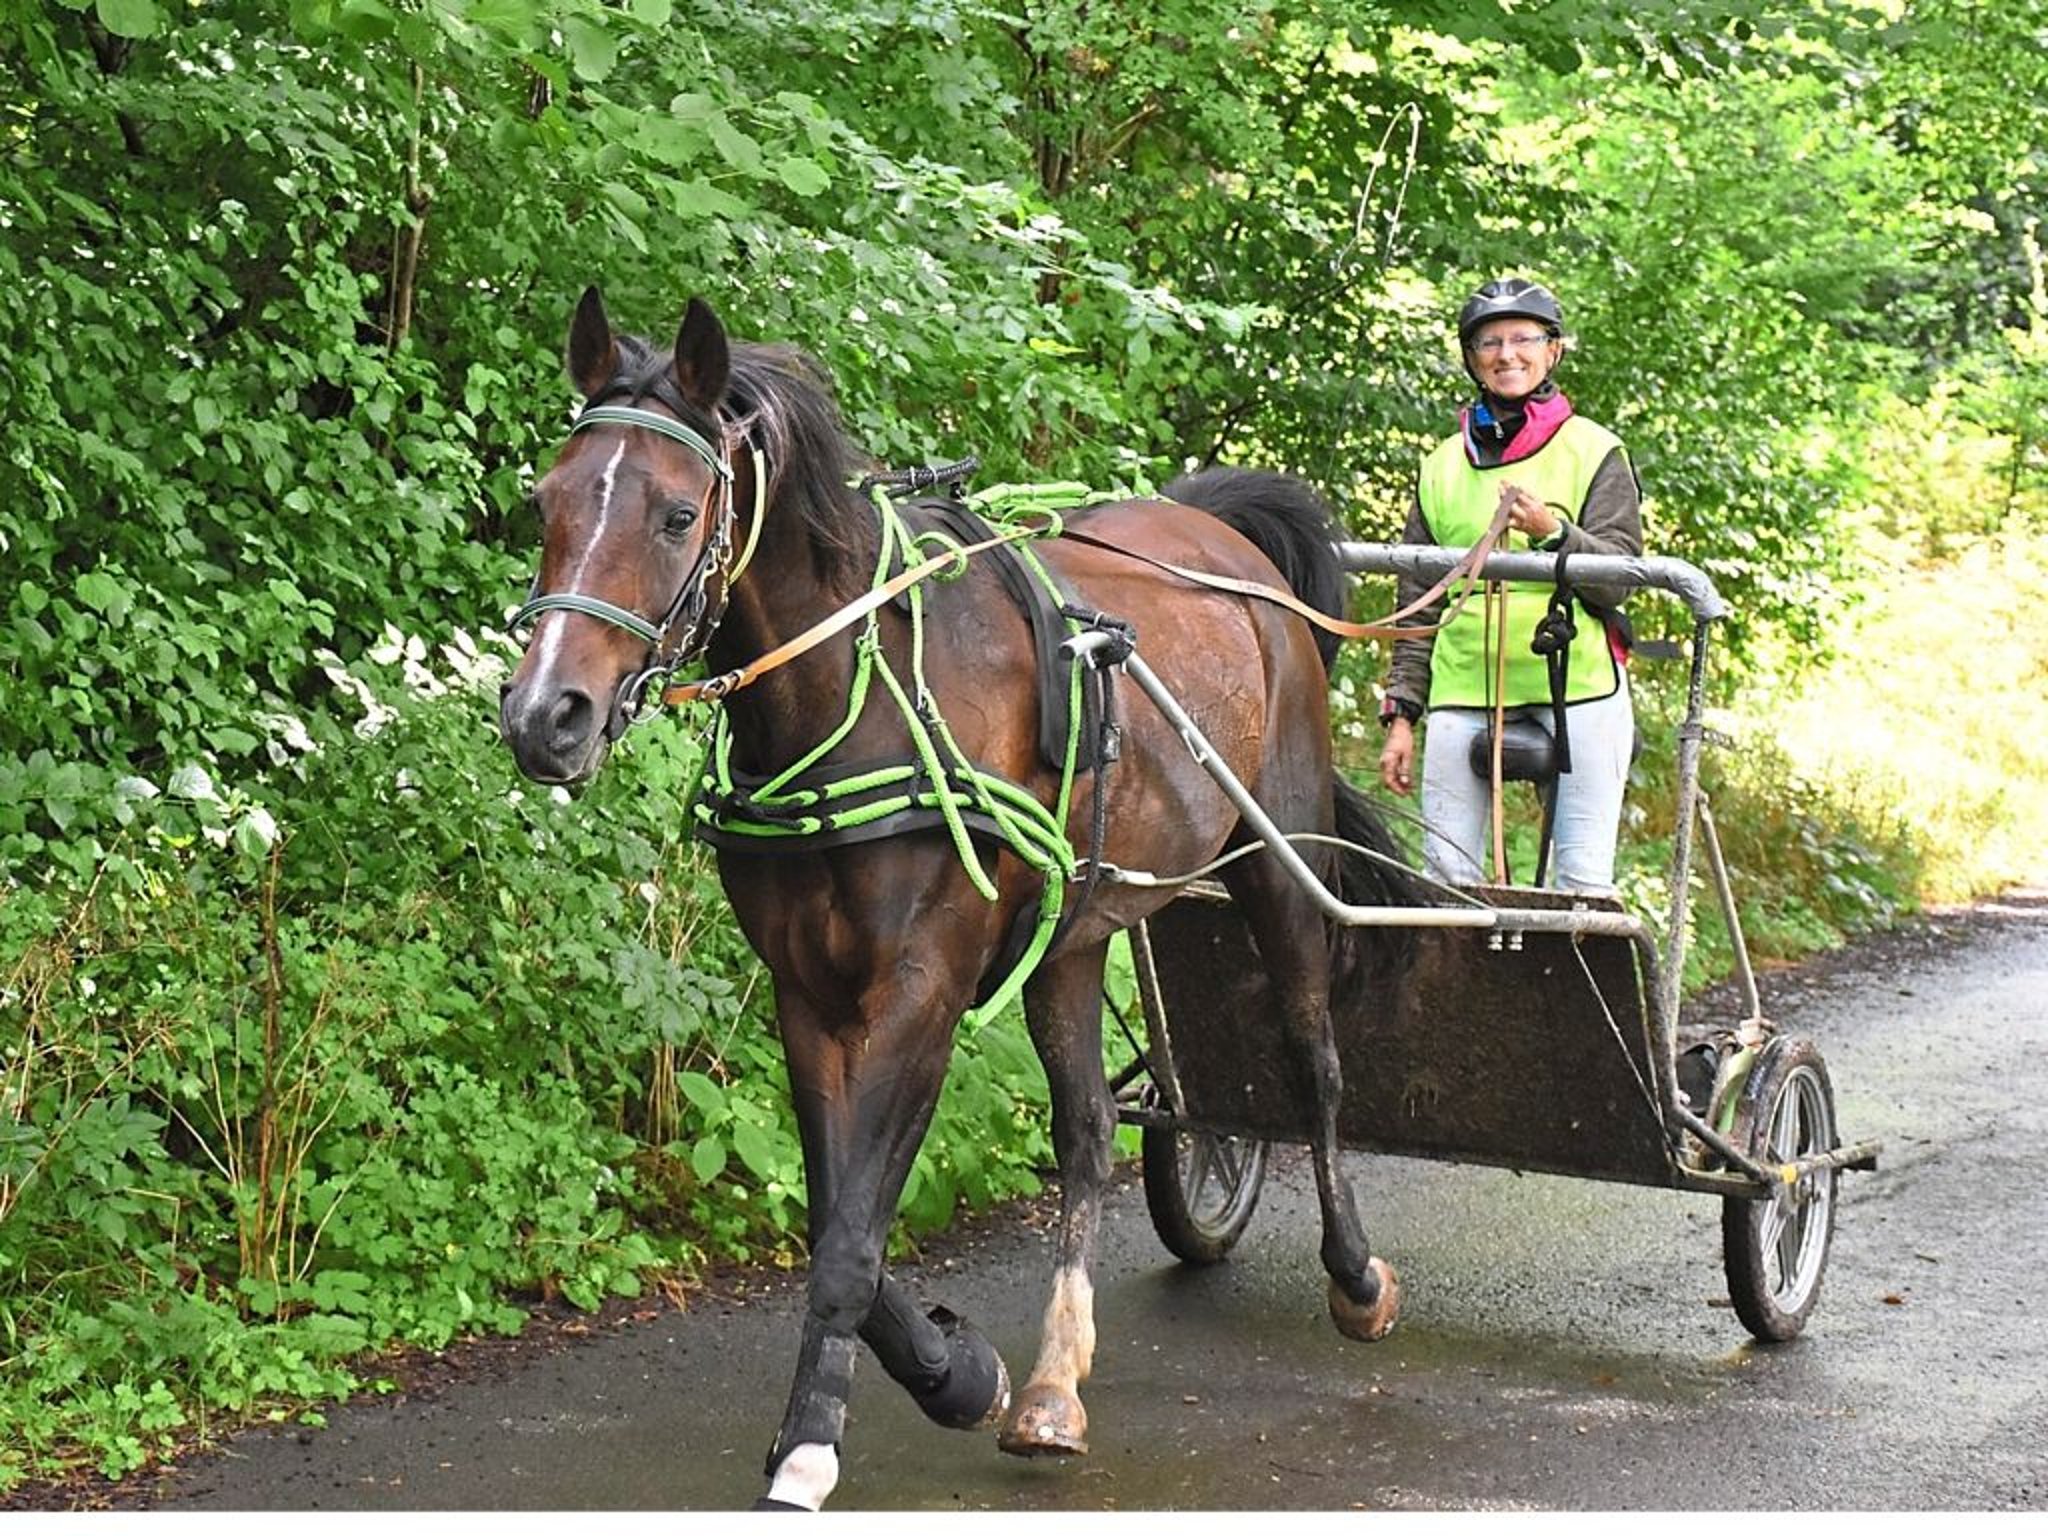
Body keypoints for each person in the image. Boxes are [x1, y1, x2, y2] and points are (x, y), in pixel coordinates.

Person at [1376, 276, 1643, 895]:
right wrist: (1402, 715)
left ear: (1553, 350)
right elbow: (1418, 601)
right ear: (1472, 359)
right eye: (1489, 342)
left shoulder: (1596, 451)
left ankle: (1578, 985)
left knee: (1582, 879)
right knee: (1444, 880)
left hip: (1576, 682)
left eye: (1524, 338)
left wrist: (1555, 533)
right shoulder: (1440, 467)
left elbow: (1620, 577)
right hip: (1463, 683)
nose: (1507, 354)